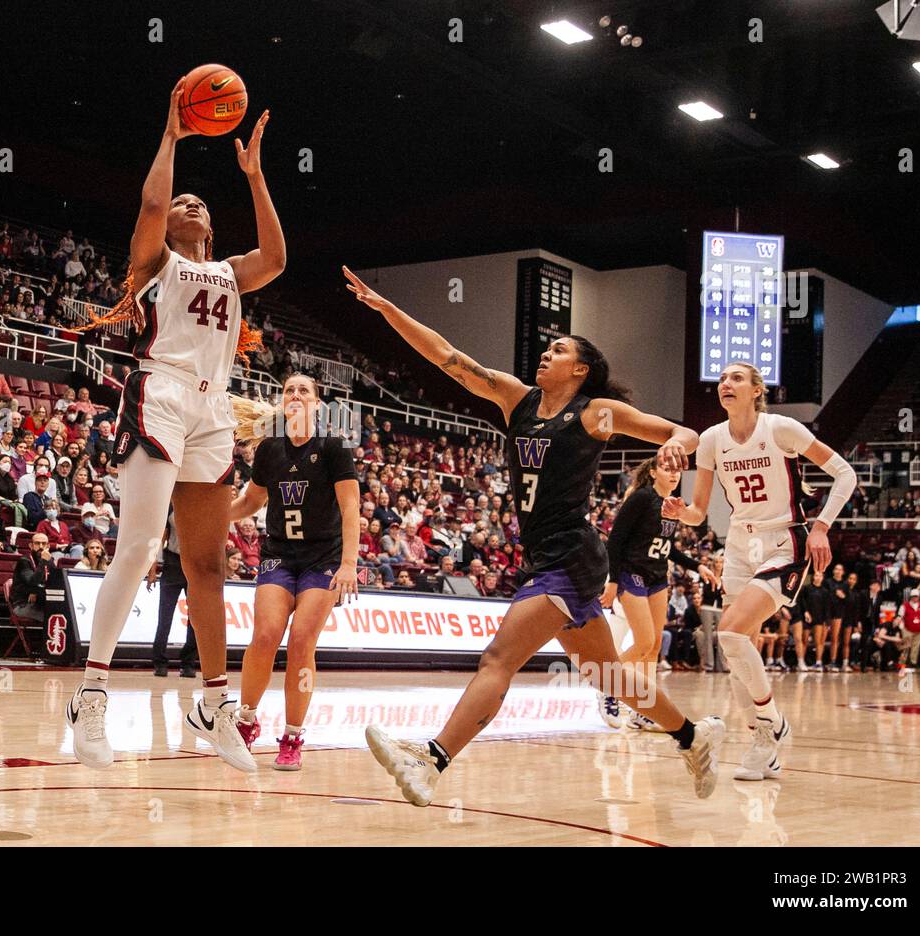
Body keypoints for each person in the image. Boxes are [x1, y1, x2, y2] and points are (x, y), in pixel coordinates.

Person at [342, 267, 724, 807]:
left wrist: (675, 448)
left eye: (559, 349)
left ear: (581, 369)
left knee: (499, 658)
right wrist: (387, 310)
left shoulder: (595, 412)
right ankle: (691, 734)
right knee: (608, 675)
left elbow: (679, 430)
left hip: (571, 556)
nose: (546, 354)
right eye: (547, 348)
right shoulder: (515, 399)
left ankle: (432, 758)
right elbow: (446, 356)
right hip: (543, 555)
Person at [64, 85, 283, 774]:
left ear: (213, 229)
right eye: (185, 201)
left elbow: (276, 256)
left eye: (201, 204)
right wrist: (171, 132)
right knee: (138, 549)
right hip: (158, 390)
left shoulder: (230, 271)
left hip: (214, 410)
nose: (188, 204)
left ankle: (214, 705)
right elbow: (153, 205)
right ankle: (92, 694)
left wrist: (253, 177)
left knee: (208, 566)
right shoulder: (157, 263)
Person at [664, 362, 856, 781]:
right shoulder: (712, 440)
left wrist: (821, 525)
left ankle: (772, 721)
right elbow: (699, 513)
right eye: (722, 379)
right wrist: (683, 513)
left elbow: (846, 472)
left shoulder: (781, 429)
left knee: (730, 632)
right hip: (737, 545)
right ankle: (762, 744)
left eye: (736, 378)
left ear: (756, 391)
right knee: (737, 652)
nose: (725, 385)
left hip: (784, 540)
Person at [227, 373, 360, 769]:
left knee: (302, 641)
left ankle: (293, 735)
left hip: (324, 557)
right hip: (280, 553)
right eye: (289, 390)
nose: (296, 395)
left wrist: (350, 563)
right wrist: (214, 521)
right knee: (265, 634)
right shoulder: (270, 449)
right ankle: (246, 721)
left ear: (317, 405)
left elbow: (351, 508)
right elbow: (251, 500)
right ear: (282, 402)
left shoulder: (334, 447)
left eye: (304, 390)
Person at [597, 456, 719, 730]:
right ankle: (607, 686)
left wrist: (698, 566)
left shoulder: (673, 505)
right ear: (653, 472)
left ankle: (643, 710)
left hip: (657, 577)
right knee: (644, 643)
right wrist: (614, 581)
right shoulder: (641, 498)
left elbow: (668, 548)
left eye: (677, 469)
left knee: (652, 649)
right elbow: (615, 540)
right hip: (632, 574)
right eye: (667, 468)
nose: (674, 474)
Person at [150, 508, 198, 677]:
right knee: (165, 616)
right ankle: (160, 662)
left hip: (195, 564)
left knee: (196, 618)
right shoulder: (170, 508)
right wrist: (152, 567)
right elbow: (160, 538)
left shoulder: (202, 507)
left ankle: (188, 663)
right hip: (172, 563)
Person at [897, 588, 920, 672]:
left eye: (916, 596)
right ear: (911, 597)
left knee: (916, 647)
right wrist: (902, 628)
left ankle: (913, 662)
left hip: (919, 630)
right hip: (907, 629)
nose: (915, 598)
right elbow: (900, 617)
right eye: (913, 596)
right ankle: (902, 662)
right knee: (906, 646)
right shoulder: (904, 605)